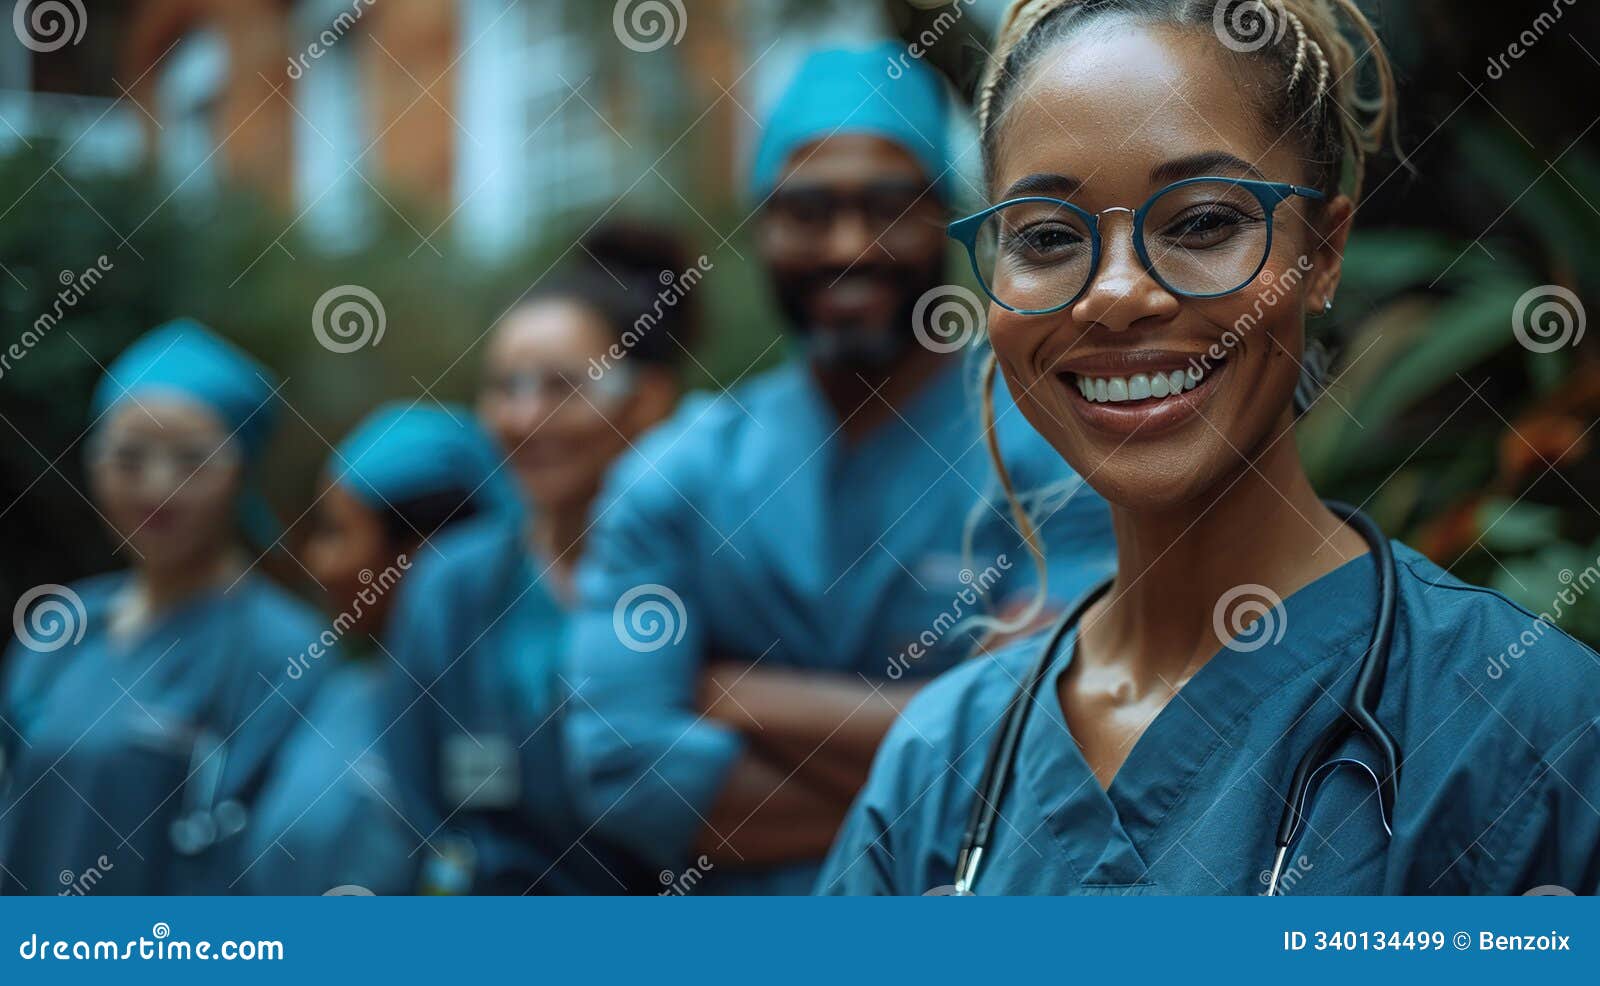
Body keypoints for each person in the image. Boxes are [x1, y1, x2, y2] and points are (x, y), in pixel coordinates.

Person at [817, 0, 1600, 895]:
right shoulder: (940, 769)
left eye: (1201, 223)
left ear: (1324, 251)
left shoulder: (1525, 723)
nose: (1116, 295)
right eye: (1048, 236)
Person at [562, 43, 1116, 895]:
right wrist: (959, 764)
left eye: (890, 206)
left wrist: (739, 696)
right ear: (760, 226)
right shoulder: (675, 476)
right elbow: (621, 768)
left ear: (949, 219)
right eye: (807, 210)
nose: (849, 245)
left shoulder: (1061, 450)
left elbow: (1069, 745)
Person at [380, 222, 691, 894]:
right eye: (505, 386)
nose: (524, 419)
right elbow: (418, 816)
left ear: (647, 400)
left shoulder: (706, 579)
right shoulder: (451, 588)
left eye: (563, 387)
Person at [0, 318, 322, 894]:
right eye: (128, 458)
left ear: (243, 471)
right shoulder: (58, 630)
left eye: (193, 460)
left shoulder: (287, 654)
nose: (158, 488)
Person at [240, 403, 516, 895]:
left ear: (422, 552)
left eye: (335, 533)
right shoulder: (342, 694)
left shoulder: (500, 711)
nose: (316, 561)